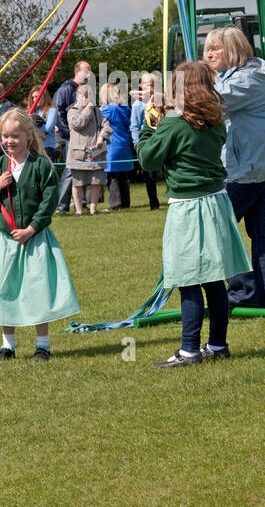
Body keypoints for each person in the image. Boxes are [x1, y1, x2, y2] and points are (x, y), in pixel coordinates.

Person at [136, 61, 251, 367]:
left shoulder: (174, 122)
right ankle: (217, 344)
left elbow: (148, 159)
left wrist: (150, 128)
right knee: (213, 279)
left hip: (188, 207)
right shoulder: (216, 120)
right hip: (216, 203)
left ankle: (189, 350)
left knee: (187, 279)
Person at [0, 109, 80, 361]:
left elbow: (48, 203)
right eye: (5, 136)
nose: (9, 141)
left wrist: (31, 229)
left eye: (15, 136)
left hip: (35, 238)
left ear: (28, 136)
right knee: (3, 289)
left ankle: (42, 345)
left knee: (38, 288)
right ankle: (7, 346)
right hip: (5, 240)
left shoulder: (41, 166)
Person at [204, 27, 265, 309]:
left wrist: (168, 95)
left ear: (233, 50)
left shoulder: (243, 81)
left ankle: (243, 293)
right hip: (256, 167)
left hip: (246, 170)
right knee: (261, 235)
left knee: (222, 229)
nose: (210, 53)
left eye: (216, 48)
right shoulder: (250, 76)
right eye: (208, 48)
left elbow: (209, 101)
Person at [65, 81, 111, 215]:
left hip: (96, 152)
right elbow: (78, 124)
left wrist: (101, 137)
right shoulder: (72, 111)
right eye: (84, 96)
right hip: (78, 154)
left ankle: (93, 209)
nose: (87, 98)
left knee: (96, 182)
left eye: (89, 95)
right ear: (78, 97)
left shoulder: (97, 111)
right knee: (77, 183)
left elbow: (106, 125)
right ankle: (78, 211)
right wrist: (88, 109)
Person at [52, 62, 91, 214]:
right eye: (86, 72)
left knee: (84, 169)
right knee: (71, 169)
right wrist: (68, 133)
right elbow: (57, 112)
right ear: (77, 72)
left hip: (84, 136)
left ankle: (81, 204)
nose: (89, 75)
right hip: (71, 137)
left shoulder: (86, 90)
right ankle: (61, 205)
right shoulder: (65, 89)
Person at [129, 73, 162, 210]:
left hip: (161, 137)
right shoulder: (138, 105)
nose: (153, 88)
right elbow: (134, 126)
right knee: (150, 174)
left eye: (155, 85)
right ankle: (153, 202)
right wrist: (137, 142)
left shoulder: (160, 100)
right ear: (142, 86)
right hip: (147, 140)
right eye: (150, 85)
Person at [100, 82, 134, 209]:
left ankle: (115, 203)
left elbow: (98, 118)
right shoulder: (125, 108)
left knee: (113, 176)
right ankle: (125, 203)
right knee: (123, 176)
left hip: (112, 145)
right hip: (125, 144)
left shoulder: (109, 109)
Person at [30, 85, 60, 162]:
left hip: (47, 147)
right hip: (35, 147)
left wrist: (36, 126)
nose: (34, 99)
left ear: (44, 96)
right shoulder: (34, 112)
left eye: (37, 96)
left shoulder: (51, 110)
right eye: (33, 97)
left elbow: (48, 128)